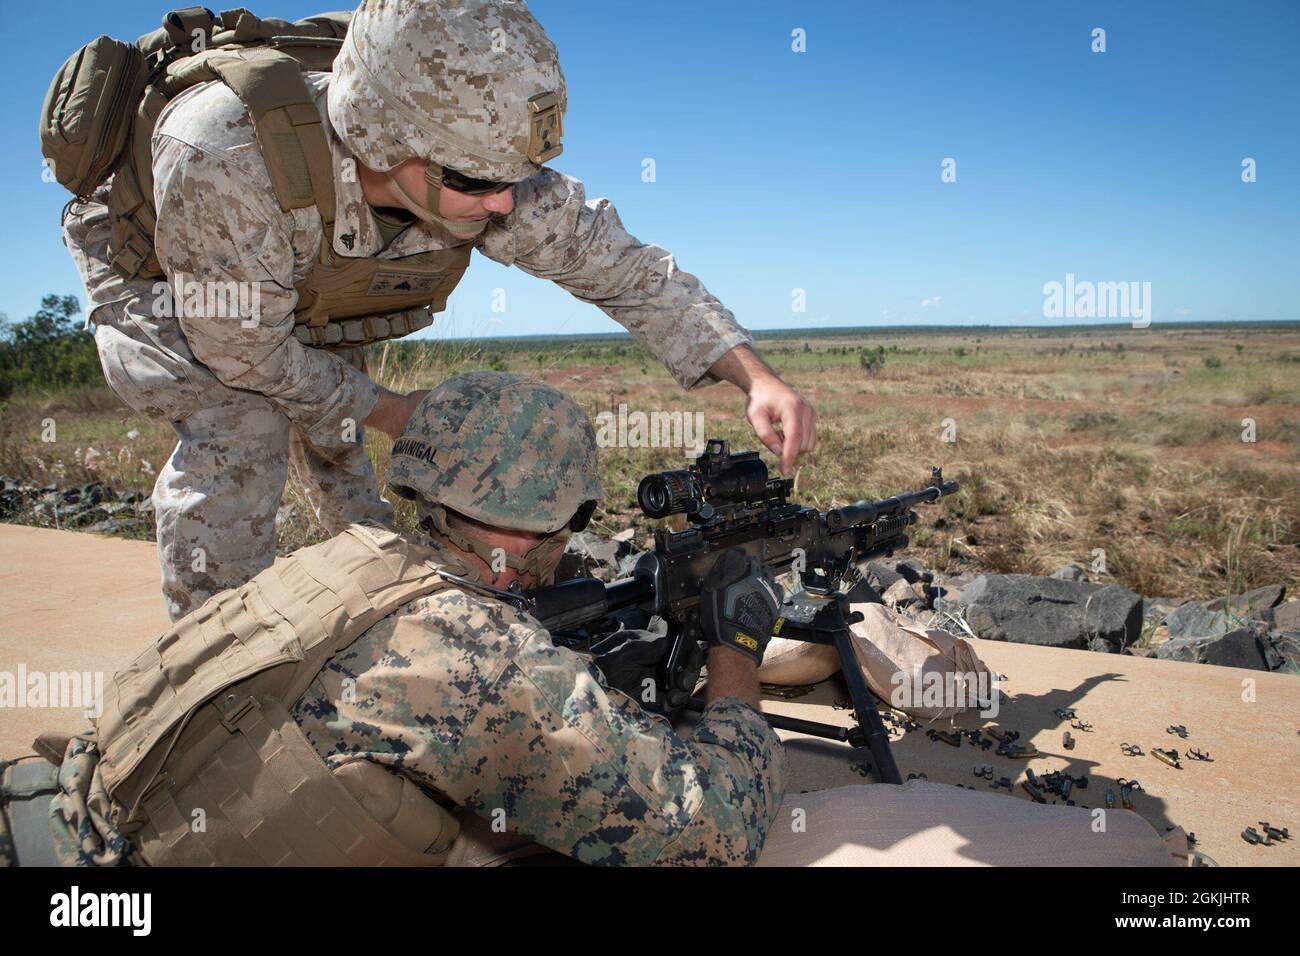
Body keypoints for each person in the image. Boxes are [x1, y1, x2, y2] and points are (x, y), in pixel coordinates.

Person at [3, 374, 1184, 867]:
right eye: (568, 519)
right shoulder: (491, 663)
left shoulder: (343, 556)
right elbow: (714, 825)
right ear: (528, 526)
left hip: (69, 825)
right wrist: (729, 644)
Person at [58, 0, 817, 621]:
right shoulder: (221, 155)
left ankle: (381, 596)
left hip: (298, 270)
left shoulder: (475, 162)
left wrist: (753, 378)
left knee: (335, 424)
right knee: (244, 420)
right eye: (479, 183)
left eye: (518, 177)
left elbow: (623, 266)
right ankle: (210, 675)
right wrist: (393, 411)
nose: (505, 202)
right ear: (387, 143)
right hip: (168, 272)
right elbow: (242, 351)